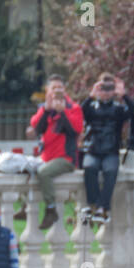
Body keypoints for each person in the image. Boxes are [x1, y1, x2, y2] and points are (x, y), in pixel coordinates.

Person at [26, 78, 83, 230]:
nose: (56, 91)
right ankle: (25, 207)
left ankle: (51, 209)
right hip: (46, 157)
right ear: (48, 91)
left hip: (65, 158)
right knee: (25, 168)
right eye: (53, 88)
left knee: (43, 173)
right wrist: (45, 110)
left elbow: (75, 130)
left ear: (65, 91)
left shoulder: (74, 108)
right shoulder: (45, 109)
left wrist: (62, 112)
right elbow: (36, 129)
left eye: (60, 88)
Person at [80, 74, 134, 223]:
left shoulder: (118, 109)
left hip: (111, 150)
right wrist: (91, 96)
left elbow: (133, 111)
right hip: (93, 149)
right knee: (89, 168)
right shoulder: (92, 108)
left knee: (110, 171)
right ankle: (94, 205)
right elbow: (81, 113)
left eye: (110, 89)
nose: (106, 92)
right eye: (103, 88)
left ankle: (102, 208)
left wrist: (124, 95)